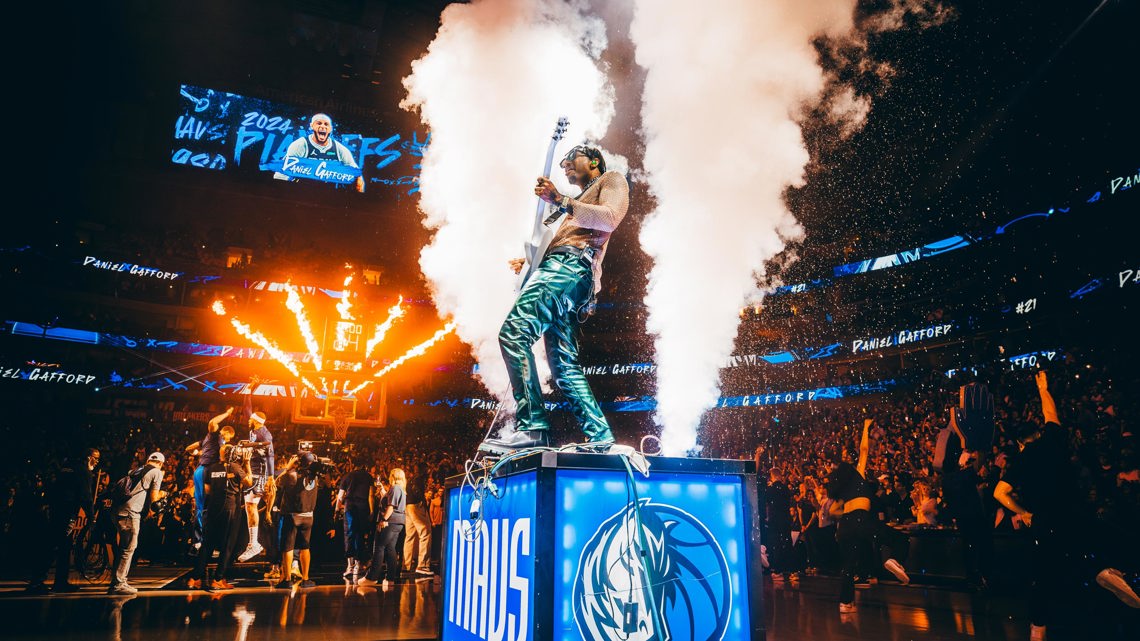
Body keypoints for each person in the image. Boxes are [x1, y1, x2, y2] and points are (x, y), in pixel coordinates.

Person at [481, 145, 629, 453]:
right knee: (563, 366)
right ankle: (600, 438)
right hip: (567, 273)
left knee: (514, 333)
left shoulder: (611, 179)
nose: (564, 164)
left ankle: (532, 426)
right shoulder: (576, 204)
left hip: (568, 269)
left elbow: (610, 218)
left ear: (594, 160)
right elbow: (565, 241)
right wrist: (530, 264)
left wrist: (561, 200)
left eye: (571, 157)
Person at [993, 371, 1140, 640]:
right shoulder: (1053, 441)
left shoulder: (1021, 461)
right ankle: (1103, 571)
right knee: (1086, 550)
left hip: (1045, 523)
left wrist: (1024, 512)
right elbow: (1051, 414)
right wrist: (1043, 389)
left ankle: (1038, 629)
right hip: (1075, 513)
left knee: (1043, 577)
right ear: (1039, 433)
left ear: (1020, 443)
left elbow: (1000, 493)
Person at [827, 419, 909, 613]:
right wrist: (865, 428)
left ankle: (845, 603)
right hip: (861, 520)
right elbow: (864, 450)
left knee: (848, 565)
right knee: (900, 539)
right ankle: (893, 559)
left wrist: (845, 513)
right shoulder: (857, 474)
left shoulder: (841, 488)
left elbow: (832, 512)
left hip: (845, 525)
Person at [25, 450, 96, 594]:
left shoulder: (66, 467)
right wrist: (91, 515)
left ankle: (59, 581)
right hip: (67, 512)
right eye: (96, 459)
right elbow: (86, 496)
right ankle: (38, 582)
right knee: (56, 545)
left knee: (62, 546)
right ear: (89, 458)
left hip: (56, 510)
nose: (97, 462)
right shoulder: (84, 472)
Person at [188, 443, 251, 591]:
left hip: (213, 509)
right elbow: (249, 482)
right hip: (231, 509)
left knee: (207, 544)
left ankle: (195, 579)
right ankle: (218, 579)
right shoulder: (236, 467)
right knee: (228, 545)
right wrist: (247, 464)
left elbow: (207, 490)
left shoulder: (211, 468)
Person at [109, 452, 166, 595]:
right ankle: (118, 584)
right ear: (161, 463)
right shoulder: (157, 472)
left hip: (117, 510)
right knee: (128, 548)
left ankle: (116, 581)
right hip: (130, 512)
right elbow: (154, 498)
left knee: (123, 547)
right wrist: (163, 494)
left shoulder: (136, 470)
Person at [274, 113, 365, 193]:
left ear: (330, 129)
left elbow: (356, 175)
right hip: (300, 193)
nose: (323, 126)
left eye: (326, 124)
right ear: (312, 126)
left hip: (329, 196)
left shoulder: (340, 149)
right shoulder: (300, 145)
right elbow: (283, 173)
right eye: (319, 123)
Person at [187, 408, 235, 550]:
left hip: (206, 470)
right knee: (203, 506)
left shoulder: (206, 440)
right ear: (226, 432)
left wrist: (199, 453)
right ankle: (199, 541)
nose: (228, 441)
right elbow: (212, 422)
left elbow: (188, 449)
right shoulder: (215, 436)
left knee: (207, 505)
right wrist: (227, 414)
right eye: (229, 438)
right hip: (205, 470)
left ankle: (203, 540)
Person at [237, 386, 275, 563]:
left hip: (260, 473)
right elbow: (246, 409)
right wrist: (248, 390)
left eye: (250, 419)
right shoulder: (254, 429)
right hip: (252, 470)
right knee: (248, 506)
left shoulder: (264, 434)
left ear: (256, 421)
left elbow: (270, 454)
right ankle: (253, 543)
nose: (247, 420)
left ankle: (254, 543)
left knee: (251, 506)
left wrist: (270, 477)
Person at [274, 453, 322, 589]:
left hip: (292, 515)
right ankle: (306, 579)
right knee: (305, 547)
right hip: (308, 516)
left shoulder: (292, 475)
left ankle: (287, 579)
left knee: (288, 547)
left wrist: (288, 467)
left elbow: (276, 482)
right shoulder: (315, 477)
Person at [358, 468, 406, 588]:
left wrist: (384, 520)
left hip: (389, 522)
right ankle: (390, 578)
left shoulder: (395, 488)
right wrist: (383, 490)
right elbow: (389, 500)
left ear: (393, 476)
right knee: (391, 549)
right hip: (398, 523)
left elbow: (391, 506)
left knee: (379, 547)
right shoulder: (400, 489)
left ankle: (372, 577)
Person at [335, 457, 374, 582]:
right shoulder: (368, 477)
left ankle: (350, 566)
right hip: (363, 507)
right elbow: (371, 495)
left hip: (350, 507)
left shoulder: (347, 476)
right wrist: (372, 510)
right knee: (360, 534)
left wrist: (336, 510)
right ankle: (358, 565)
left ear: (353, 465)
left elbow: (340, 496)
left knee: (349, 534)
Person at [403, 463, 433, 579]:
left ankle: (406, 566)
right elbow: (417, 491)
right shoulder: (419, 478)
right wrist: (422, 501)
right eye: (427, 469)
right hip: (416, 505)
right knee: (425, 532)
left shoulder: (410, 479)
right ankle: (423, 565)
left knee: (409, 536)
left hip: (408, 506)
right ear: (423, 469)